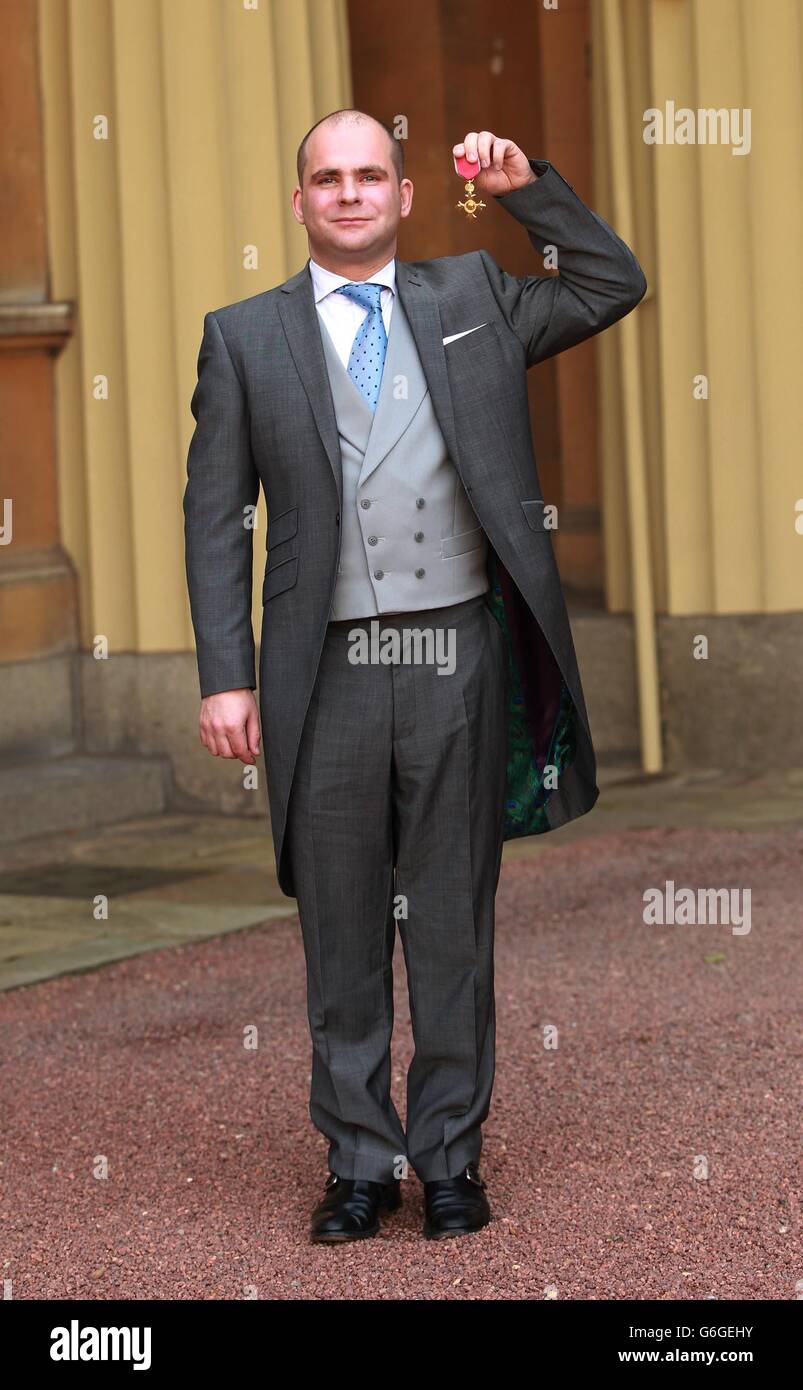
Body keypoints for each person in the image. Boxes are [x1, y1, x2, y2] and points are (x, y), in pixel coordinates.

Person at [183, 109, 646, 1244]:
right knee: (338, 928)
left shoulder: (472, 300)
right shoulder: (243, 335)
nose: (348, 193)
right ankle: (355, 1161)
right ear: (299, 202)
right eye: (326, 179)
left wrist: (527, 183)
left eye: (369, 176)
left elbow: (607, 282)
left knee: (448, 919)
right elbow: (214, 518)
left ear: (401, 197)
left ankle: (446, 1159)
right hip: (321, 670)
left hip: (453, 655)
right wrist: (225, 675)